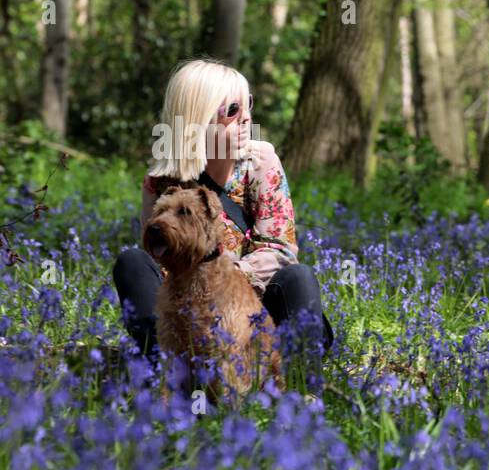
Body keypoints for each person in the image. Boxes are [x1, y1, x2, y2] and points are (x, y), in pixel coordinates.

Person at [112, 57, 333, 359]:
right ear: (198, 120)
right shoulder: (159, 181)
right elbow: (158, 254)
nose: (246, 118)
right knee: (132, 263)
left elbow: (280, 249)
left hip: (254, 312)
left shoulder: (260, 162)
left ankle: (303, 385)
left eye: (248, 105)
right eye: (232, 110)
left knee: (298, 277)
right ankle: (162, 369)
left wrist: (227, 273)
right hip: (186, 308)